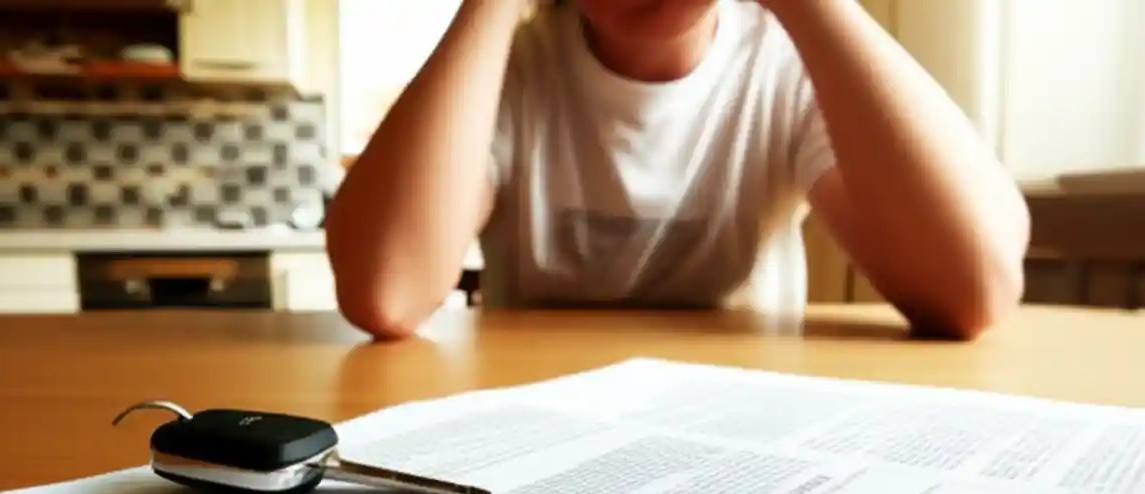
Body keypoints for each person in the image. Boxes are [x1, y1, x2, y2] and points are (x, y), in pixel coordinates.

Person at [324, 0, 1031, 340]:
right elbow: (387, 293)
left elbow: (972, 290)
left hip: (746, 430)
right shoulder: (508, 74)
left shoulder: (786, 69)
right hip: (536, 433)